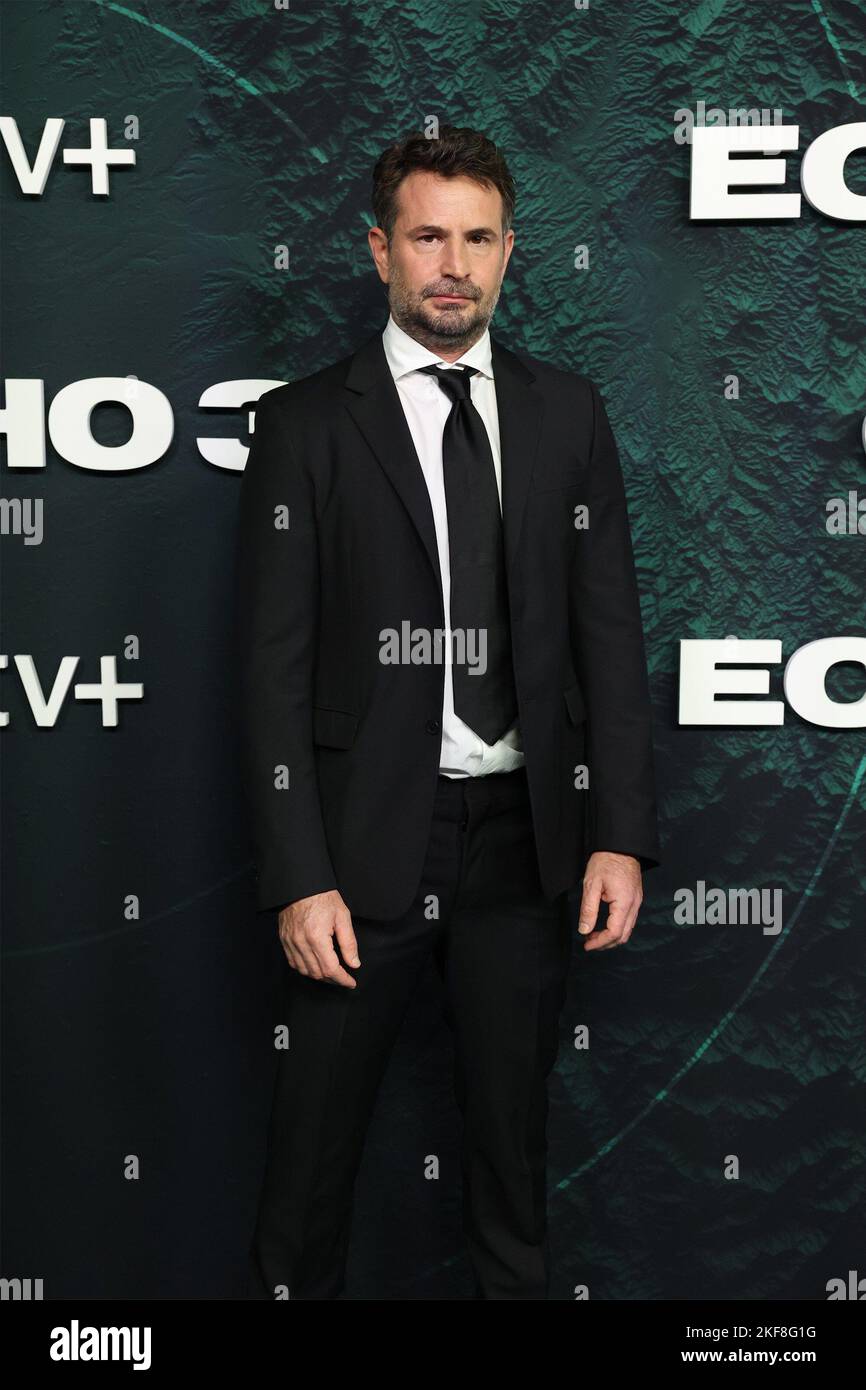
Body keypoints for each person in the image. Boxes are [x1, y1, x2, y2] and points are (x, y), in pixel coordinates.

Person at [236, 124, 661, 1301]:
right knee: (308, 1175)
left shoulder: (566, 416)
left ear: (509, 254)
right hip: (359, 849)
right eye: (427, 236)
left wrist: (617, 832)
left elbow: (607, 643)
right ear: (380, 251)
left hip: (525, 846)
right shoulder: (304, 425)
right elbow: (268, 672)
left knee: (511, 1176)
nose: (452, 266)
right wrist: (294, 874)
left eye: (477, 240)